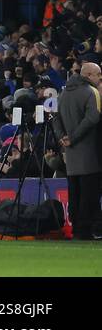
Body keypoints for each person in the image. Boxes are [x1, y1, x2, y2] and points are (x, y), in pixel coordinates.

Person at [56, 61, 102, 241]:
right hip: (90, 154)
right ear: (89, 75)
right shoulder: (92, 92)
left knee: (75, 194)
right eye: (98, 75)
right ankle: (85, 231)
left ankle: (77, 230)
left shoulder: (63, 93)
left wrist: (63, 138)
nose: (99, 78)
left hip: (71, 157)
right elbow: (92, 118)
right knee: (89, 196)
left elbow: (55, 119)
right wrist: (73, 137)